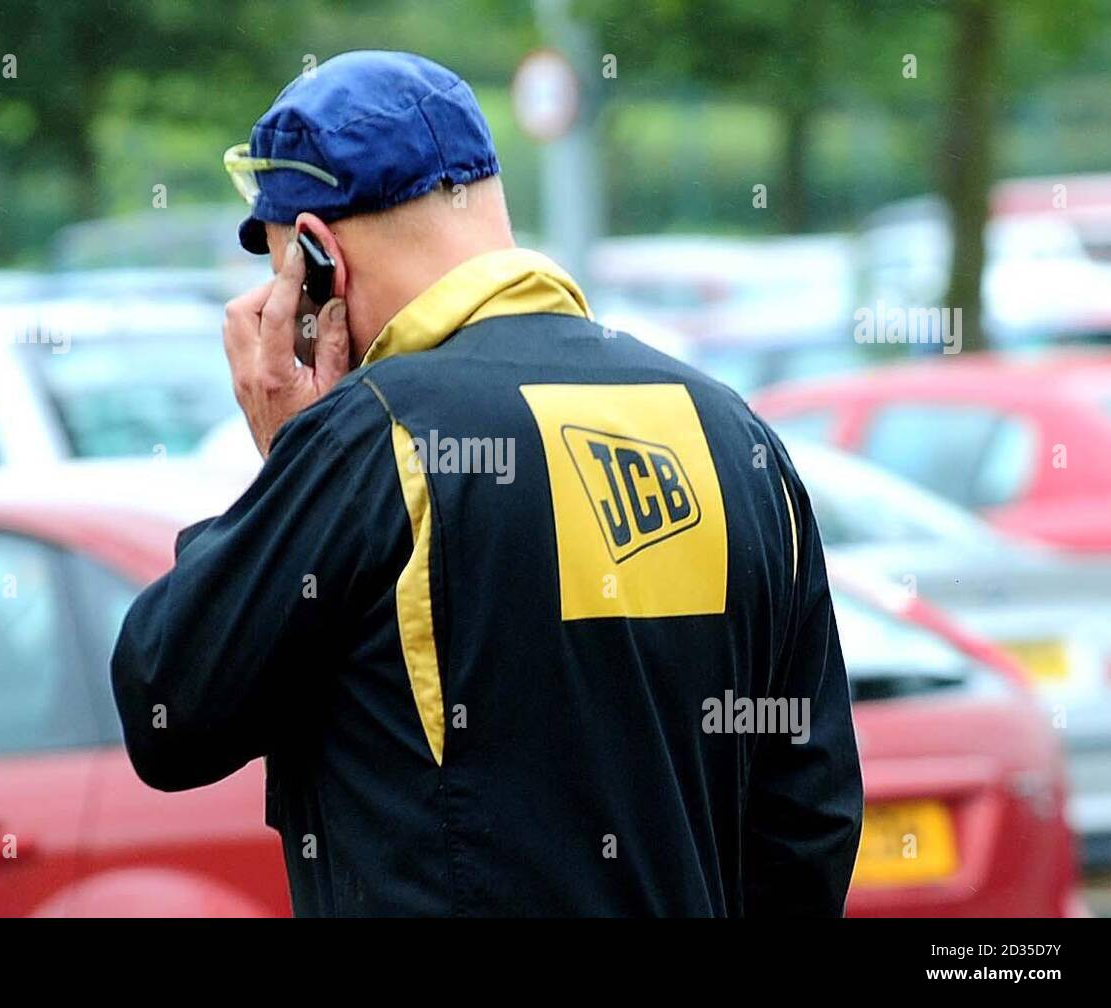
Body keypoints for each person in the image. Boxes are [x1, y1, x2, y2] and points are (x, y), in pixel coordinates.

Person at [111, 50, 862, 917]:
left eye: (284, 278)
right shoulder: (737, 434)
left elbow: (167, 709)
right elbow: (809, 823)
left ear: (317, 257)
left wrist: (290, 452)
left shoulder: (372, 440)